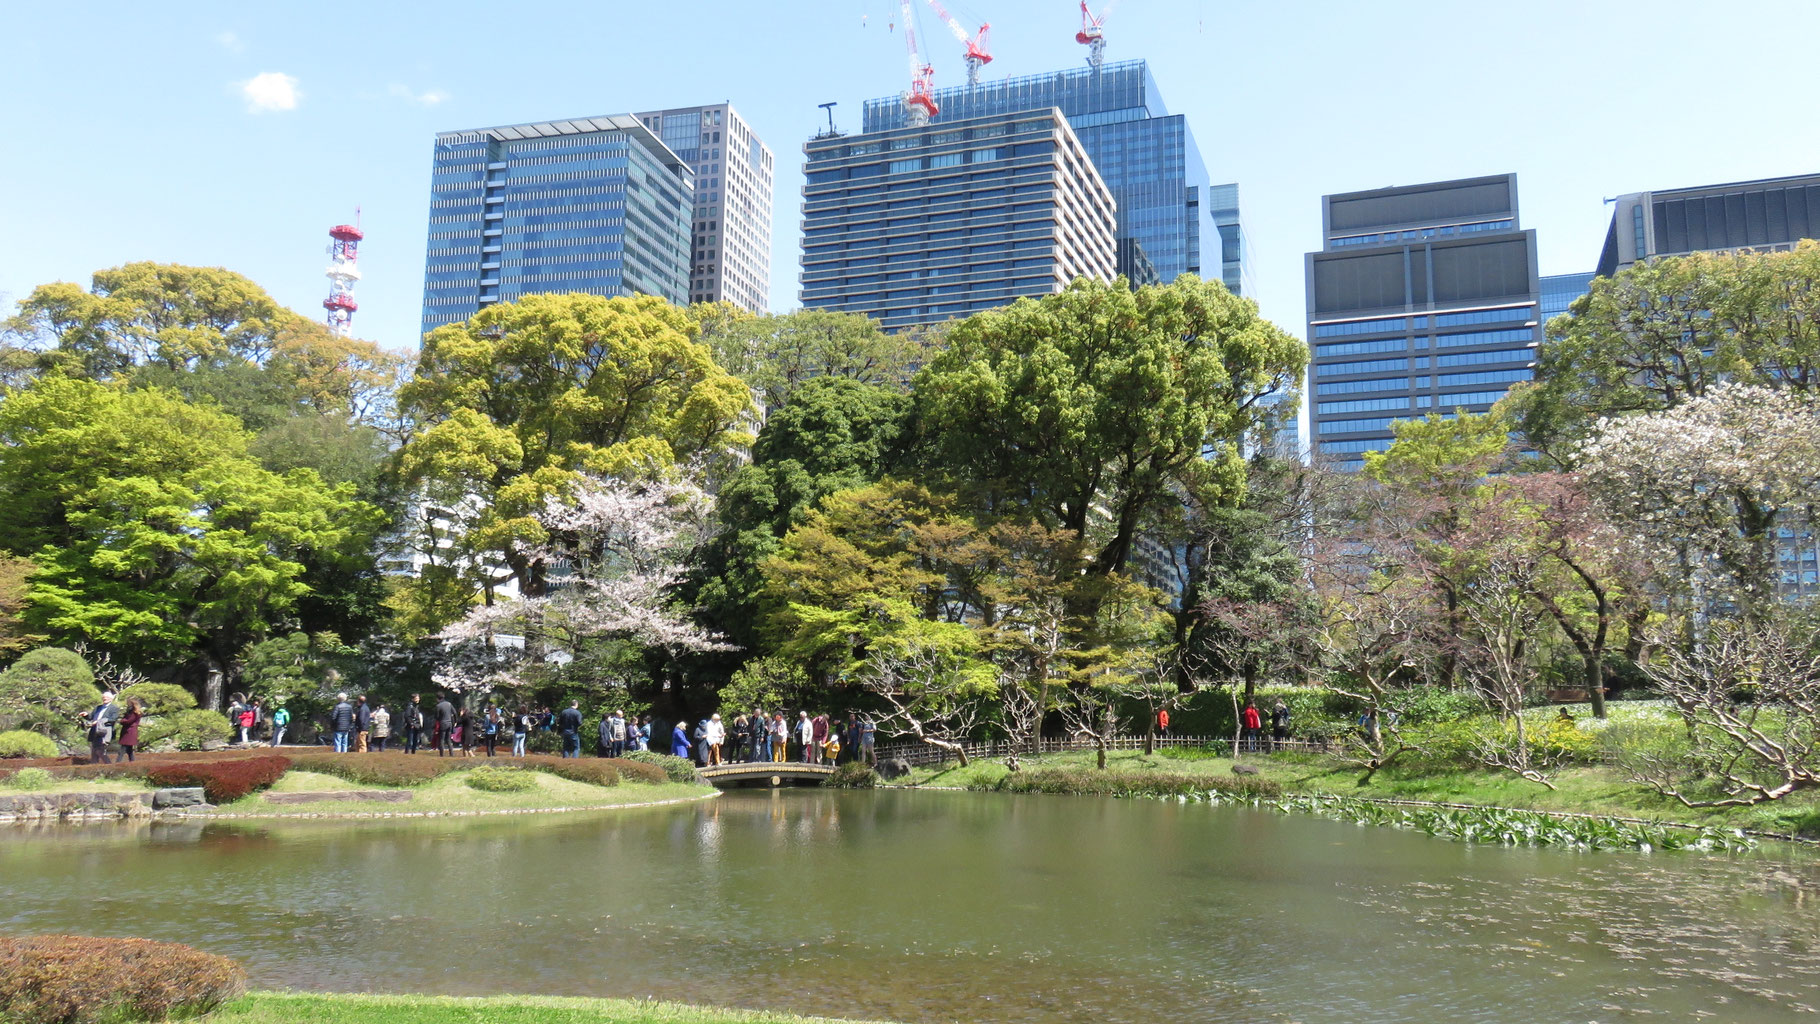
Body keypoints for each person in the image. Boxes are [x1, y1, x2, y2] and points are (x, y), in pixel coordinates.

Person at [82, 692, 119, 765]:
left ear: (111, 699)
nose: (105, 699)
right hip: (94, 731)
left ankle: (109, 766)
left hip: (104, 732)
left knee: (100, 751)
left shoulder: (114, 708)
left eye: (107, 697)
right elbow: (91, 717)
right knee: (94, 752)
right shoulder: (98, 707)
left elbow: (113, 719)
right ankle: (94, 769)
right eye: (103, 697)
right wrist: (85, 715)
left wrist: (99, 722)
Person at [116, 697, 143, 763]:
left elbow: (128, 721)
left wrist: (121, 721)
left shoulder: (134, 713)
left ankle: (117, 763)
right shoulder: (131, 712)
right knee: (129, 750)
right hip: (128, 732)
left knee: (122, 750)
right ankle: (132, 762)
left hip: (129, 733)